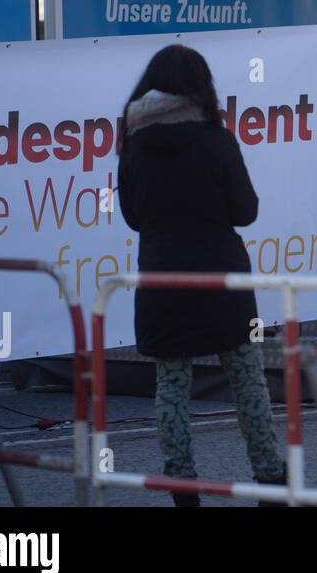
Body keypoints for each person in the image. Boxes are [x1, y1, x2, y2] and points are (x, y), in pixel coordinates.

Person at [117, 44, 285, 507]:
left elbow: (132, 217)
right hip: (221, 279)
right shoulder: (216, 139)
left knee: (171, 384)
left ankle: (182, 484)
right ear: (199, 86)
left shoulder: (133, 143)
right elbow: (246, 211)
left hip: (162, 279)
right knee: (247, 380)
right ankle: (270, 478)